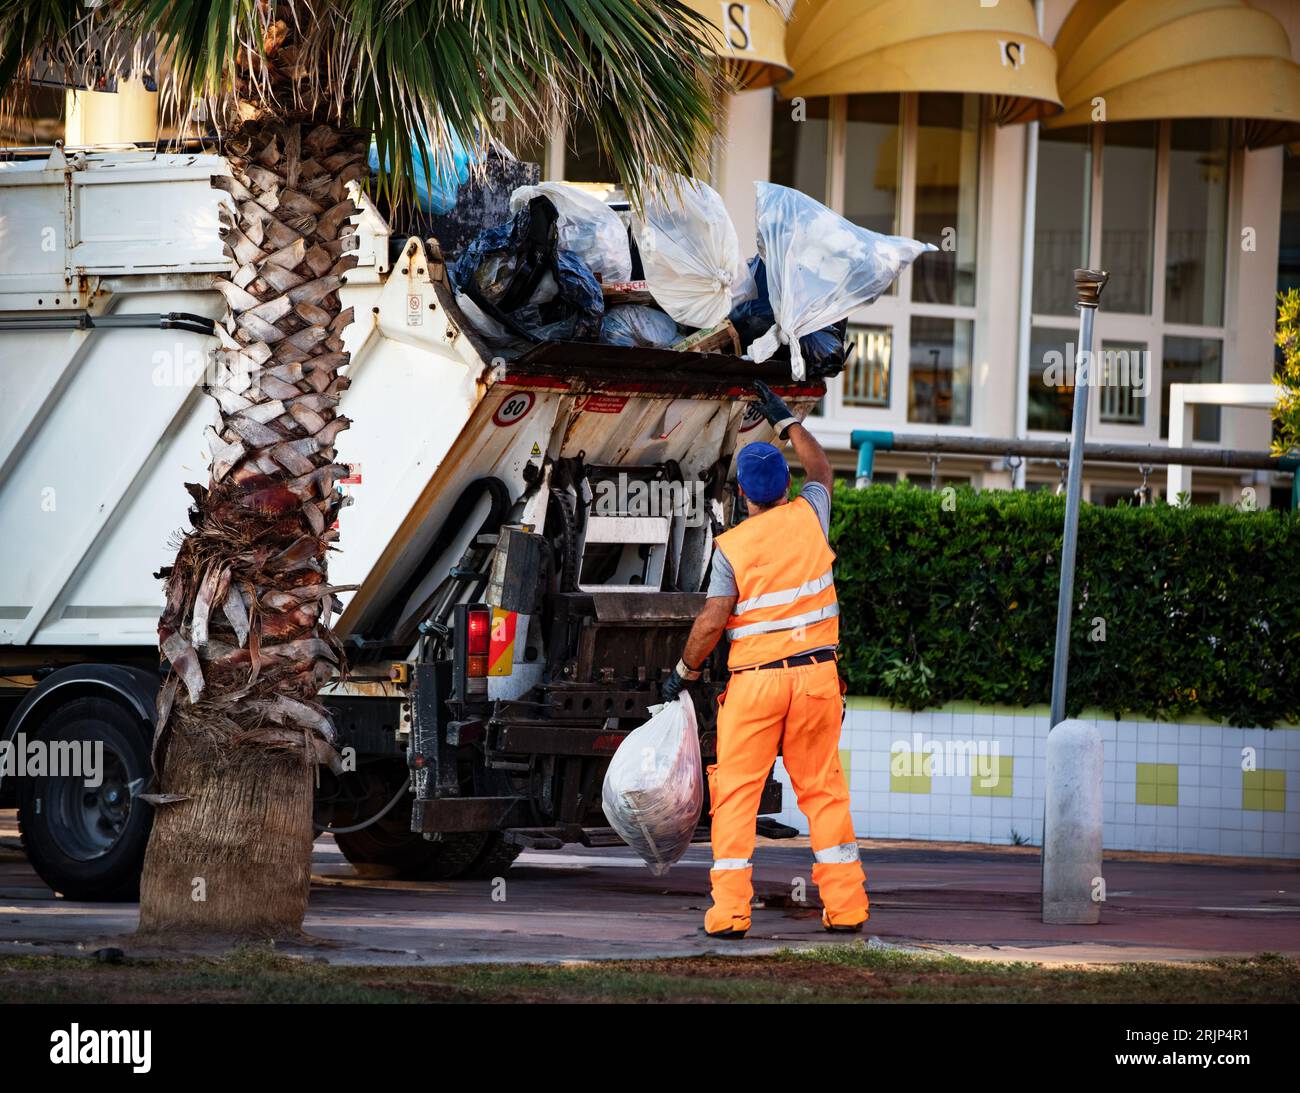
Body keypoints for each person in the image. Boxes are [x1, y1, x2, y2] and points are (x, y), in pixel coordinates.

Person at [662, 381, 869, 939]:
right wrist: (785, 422)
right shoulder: (811, 515)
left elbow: (711, 620)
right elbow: (821, 470)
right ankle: (846, 907)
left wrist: (685, 670)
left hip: (756, 687)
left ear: (741, 496)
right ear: (784, 487)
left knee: (736, 796)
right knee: (823, 790)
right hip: (817, 678)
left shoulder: (733, 546)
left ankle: (730, 913)